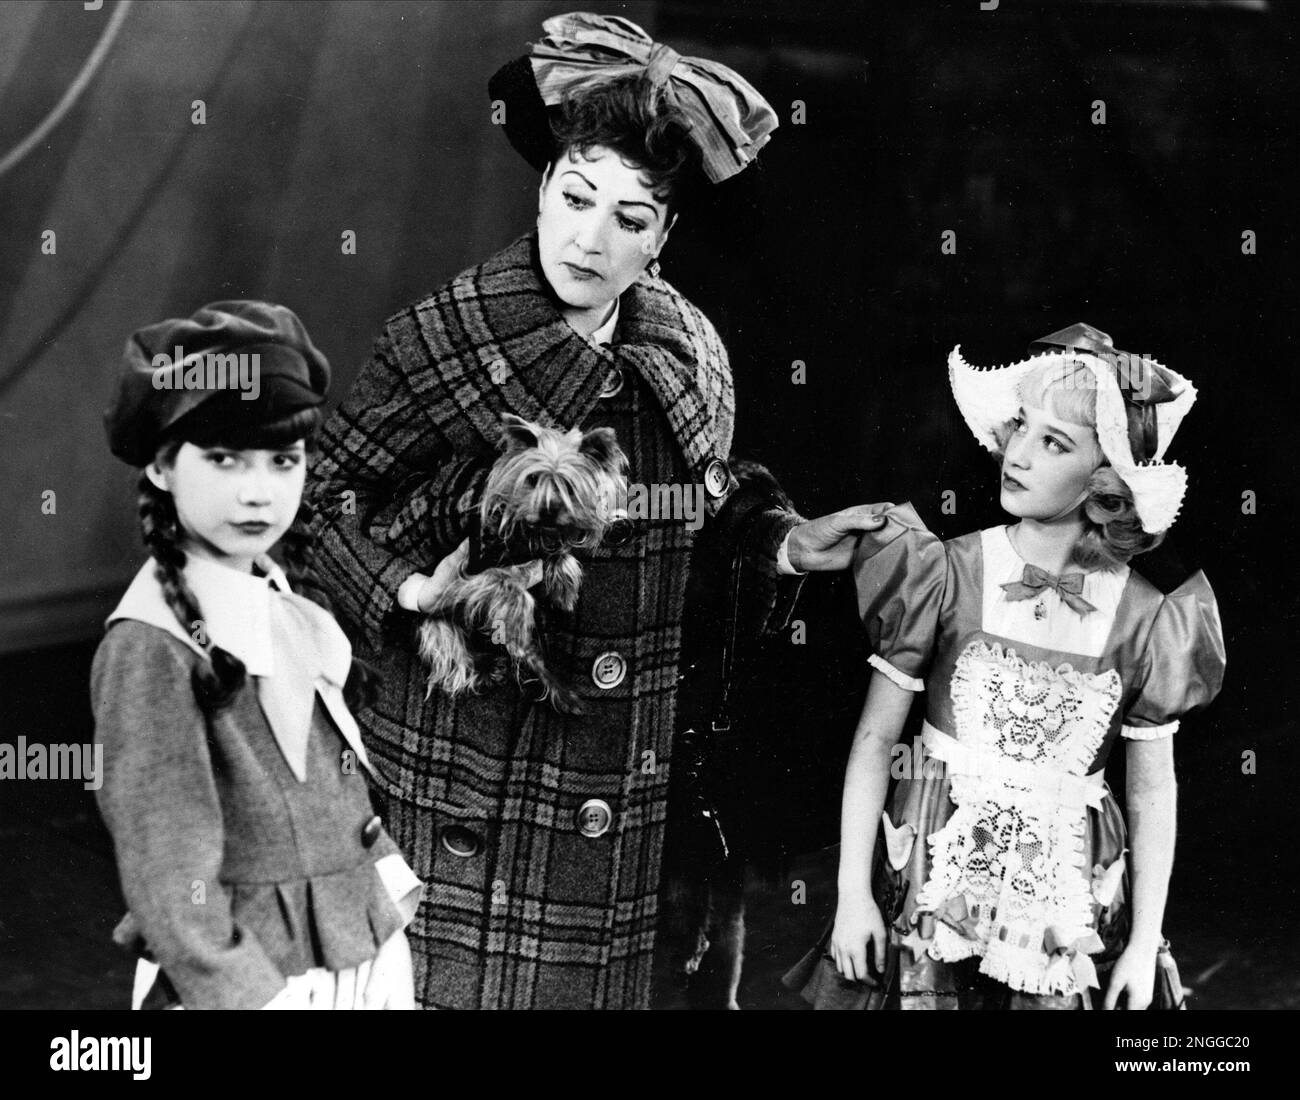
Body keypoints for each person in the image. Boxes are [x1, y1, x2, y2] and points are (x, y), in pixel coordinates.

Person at [305, 12, 884, 1009]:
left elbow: (697, 507)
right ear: (541, 185)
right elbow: (317, 502)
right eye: (575, 197)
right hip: (469, 775)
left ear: (664, 233)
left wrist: (786, 543)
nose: (589, 236)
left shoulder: (687, 356)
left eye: (629, 216)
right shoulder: (442, 339)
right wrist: (406, 584)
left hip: (624, 782)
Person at [785, 323, 1226, 1009]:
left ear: (1106, 480)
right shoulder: (942, 572)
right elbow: (875, 741)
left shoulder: (1149, 618)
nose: (1017, 453)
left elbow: (1151, 794)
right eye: (1020, 426)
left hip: (1066, 889)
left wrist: (1145, 941)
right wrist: (849, 896)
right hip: (930, 868)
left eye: (1053, 442)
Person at [92, 301, 423, 1009]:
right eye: (222, 459)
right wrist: (250, 997)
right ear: (160, 465)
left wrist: (386, 905)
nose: (258, 491)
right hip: (255, 982)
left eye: (282, 461)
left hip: (356, 952)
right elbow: (168, 876)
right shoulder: (153, 644)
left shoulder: (286, 601)